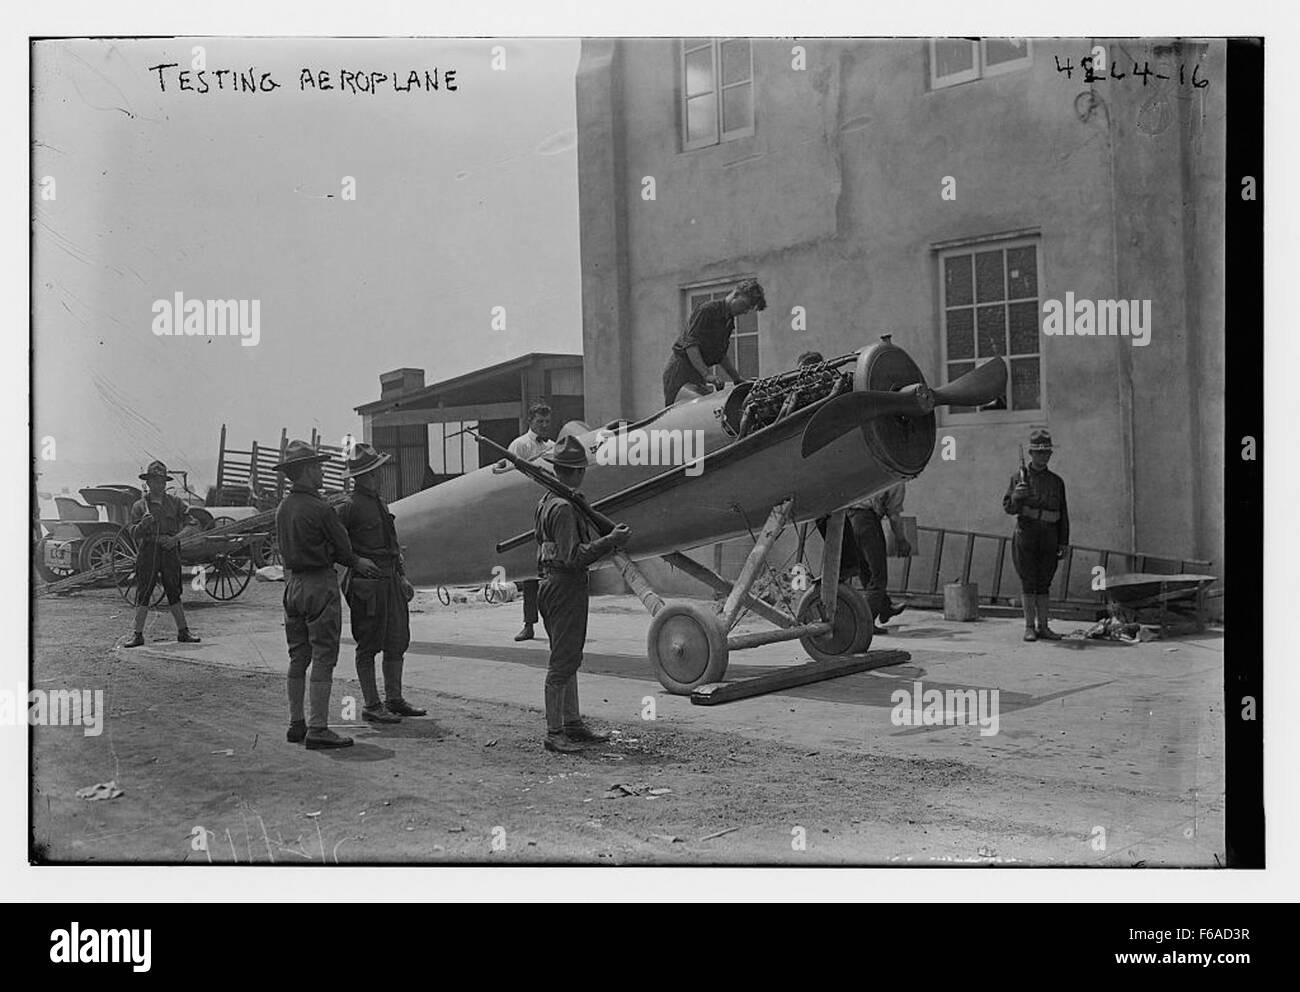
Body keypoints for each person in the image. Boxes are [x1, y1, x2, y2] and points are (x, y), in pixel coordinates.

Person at [275, 439, 381, 750]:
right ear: (307, 471)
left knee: (298, 657)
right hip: (319, 585)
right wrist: (361, 562)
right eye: (318, 466)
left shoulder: (283, 508)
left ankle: (297, 723)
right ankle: (319, 728)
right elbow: (344, 550)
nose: (322, 471)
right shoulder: (320, 508)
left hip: (292, 586)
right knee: (324, 657)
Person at [533, 436, 631, 753]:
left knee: (569, 657)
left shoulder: (549, 501)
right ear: (576, 472)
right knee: (562, 663)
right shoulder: (562, 507)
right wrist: (609, 540)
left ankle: (571, 723)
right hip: (565, 585)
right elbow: (573, 555)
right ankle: (554, 732)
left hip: (553, 583)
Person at [338, 443, 426, 725]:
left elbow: (392, 544)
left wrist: (402, 576)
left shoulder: (380, 502)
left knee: (397, 640)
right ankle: (372, 705)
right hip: (367, 585)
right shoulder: (349, 507)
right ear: (365, 475)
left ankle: (394, 699)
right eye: (376, 471)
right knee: (368, 644)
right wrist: (355, 561)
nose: (381, 475)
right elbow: (336, 546)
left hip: (390, 582)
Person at [123, 461, 201, 647]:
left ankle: (183, 632)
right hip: (149, 552)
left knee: (174, 590)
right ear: (148, 483)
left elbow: (193, 524)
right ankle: (137, 635)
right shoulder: (139, 506)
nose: (159, 485)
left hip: (170, 551)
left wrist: (175, 539)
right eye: (155, 481)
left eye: (162, 481)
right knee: (144, 592)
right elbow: (132, 533)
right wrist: (143, 525)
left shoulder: (175, 503)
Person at [1003, 429, 1069, 642]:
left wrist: (1064, 541)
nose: (1044, 456)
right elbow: (1009, 508)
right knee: (1028, 582)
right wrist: (1016, 496)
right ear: (1031, 453)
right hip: (1027, 535)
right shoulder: (1018, 478)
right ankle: (1029, 627)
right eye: (1039, 452)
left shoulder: (1056, 481)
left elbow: (1063, 514)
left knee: (1045, 582)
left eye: (1047, 452)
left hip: (1049, 535)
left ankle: (1044, 626)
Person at [662, 279, 766, 407]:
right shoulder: (707, 310)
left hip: (697, 373)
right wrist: (707, 374)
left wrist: (736, 379)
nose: (745, 311)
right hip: (680, 370)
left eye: (749, 309)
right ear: (736, 295)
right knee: (677, 415)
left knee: (698, 412)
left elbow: (720, 355)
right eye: (745, 305)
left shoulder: (727, 321)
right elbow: (691, 345)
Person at [505, 401, 555, 641]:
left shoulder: (554, 447)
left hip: (550, 512)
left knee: (551, 571)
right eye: (540, 422)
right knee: (530, 573)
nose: (544, 425)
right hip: (528, 512)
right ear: (530, 422)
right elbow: (510, 481)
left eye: (547, 421)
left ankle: (553, 625)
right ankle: (529, 625)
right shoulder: (520, 445)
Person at [848, 483, 910, 633]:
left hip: (848, 520)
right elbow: (894, 516)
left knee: (866, 571)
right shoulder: (896, 480)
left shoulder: (872, 469)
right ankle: (866, 624)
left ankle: (885, 608)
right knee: (878, 576)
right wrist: (901, 540)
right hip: (867, 522)